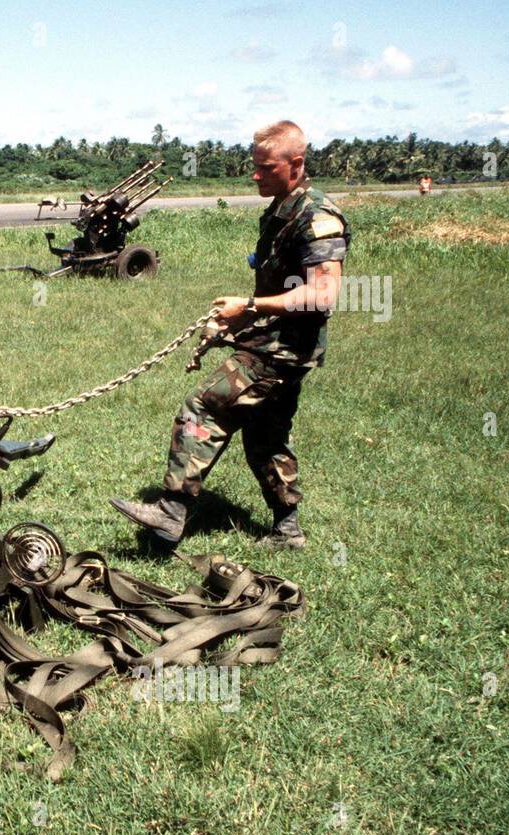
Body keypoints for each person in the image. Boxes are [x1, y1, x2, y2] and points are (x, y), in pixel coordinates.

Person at [111, 120, 350, 549]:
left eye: (265, 167)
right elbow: (281, 289)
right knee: (265, 437)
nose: (255, 174)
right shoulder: (282, 210)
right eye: (254, 165)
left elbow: (324, 295)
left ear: (295, 164)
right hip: (276, 342)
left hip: (283, 352)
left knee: (203, 407)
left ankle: (170, 512)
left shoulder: (317, 217)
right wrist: (235, 323)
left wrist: (250, 306)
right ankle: (288, 529)